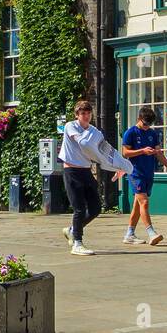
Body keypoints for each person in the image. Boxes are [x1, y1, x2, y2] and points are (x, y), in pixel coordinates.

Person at [59, 99, 133, 256]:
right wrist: (93, 137)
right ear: (77, 115)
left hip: (86, 171)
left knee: (95, 209)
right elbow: (84, 143)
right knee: (79, 208)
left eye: (88, 113)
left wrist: (119, 166)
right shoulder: (70, 126)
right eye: (82, 114)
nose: (86, 116)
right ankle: (77, 243)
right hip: (71, 172)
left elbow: (105, 152)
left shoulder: (95, 132)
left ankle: (72, 230)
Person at [119, 106, 166, 246]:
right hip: (135, 172)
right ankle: (151, 233)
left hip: (148, 172)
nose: (147, 127)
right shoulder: (130, 133)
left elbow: (158, 152)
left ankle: (129, 234)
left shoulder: (152, 133)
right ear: (139, 119)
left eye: (149, 124)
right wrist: (142, 151)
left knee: (137, 205)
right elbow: (125, 153)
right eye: (145, 124)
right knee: (144, 202)